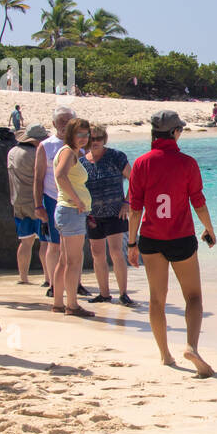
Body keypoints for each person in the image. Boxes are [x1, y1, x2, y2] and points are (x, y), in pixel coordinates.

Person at [126, 111, 216, 376]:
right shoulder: (187, 163)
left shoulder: (141, 164)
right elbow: (198, 202)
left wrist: (131, 243)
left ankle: (165, 355)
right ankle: (191, 346)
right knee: (194, 297)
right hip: (181, 237)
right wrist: (209, 229)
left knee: (157, 299)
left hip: (151, 239)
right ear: (175, 132)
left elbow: (134, 209)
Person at [33, 106, 87, 299]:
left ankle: (76, 282)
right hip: (53, 198)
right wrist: (38, 204)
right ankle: (52, 283)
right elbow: (39, 177)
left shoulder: (80, 145)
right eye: (61, 121)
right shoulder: (46, 146)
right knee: (53, 245)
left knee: (75, 248)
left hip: (76, 202)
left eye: (68, 121)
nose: (64, 125)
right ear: (54, 124)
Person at [81, 125, 133, 306]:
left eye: (98, 139)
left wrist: (127, 203)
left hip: (115, 213)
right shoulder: (81, 161)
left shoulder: (115, 156)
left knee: (117, 252)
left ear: (104, 139)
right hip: (93, 216)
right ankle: (104, 293)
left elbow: (134, 180)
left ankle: (123, 293)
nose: (94, 142)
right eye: (91, 139)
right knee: (97, 254)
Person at [51, 117, 94, 317]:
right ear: (71, 134)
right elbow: (60, 175)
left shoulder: (70, 151)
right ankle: (72, 305)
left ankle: (59, 303)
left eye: (86, 134)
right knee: (73, 262)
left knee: (64, 260)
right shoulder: (68, 151)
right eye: (80, 134)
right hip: (70, 210)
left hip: (66, 210)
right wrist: (77, 200)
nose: (84, 138)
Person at [7, 124, 48, 283]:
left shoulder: (12, 152)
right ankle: (48, 278)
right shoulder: (37, 154)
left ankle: (23, 278)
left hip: (18, 202)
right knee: (45, 241)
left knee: (25, 242)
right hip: (36, 202)